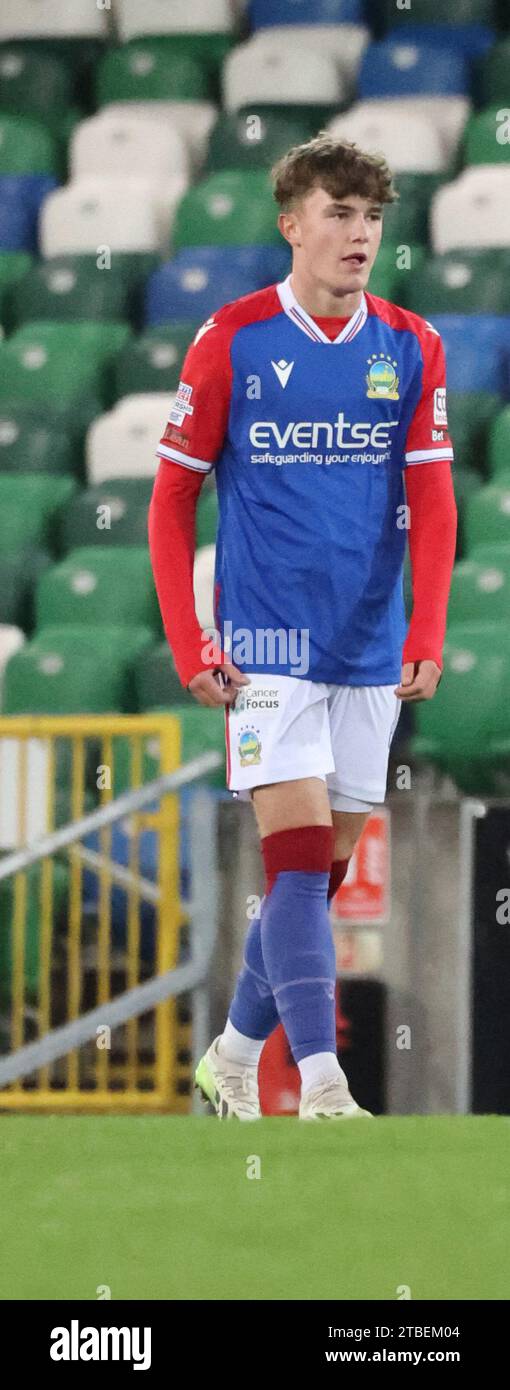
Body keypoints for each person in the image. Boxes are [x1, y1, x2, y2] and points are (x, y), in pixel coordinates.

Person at [148, 134, 457, 1120]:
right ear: (292, 224)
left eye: (370, 217)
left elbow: (437, 502)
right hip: (266, 645)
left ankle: (234, 1055)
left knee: (312, 883)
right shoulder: (232, 339)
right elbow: (169, 500)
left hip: (369, 645)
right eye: (338, 213)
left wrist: (429, 629)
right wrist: (188, 638)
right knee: (292, 859)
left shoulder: (412, 345)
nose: (358, 234)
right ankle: (324, 1083)